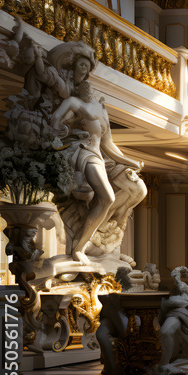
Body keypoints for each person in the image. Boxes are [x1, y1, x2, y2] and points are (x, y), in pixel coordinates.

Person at [50, 44, 146, 264]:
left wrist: (131, 161)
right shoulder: (73, 102)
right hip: (83, 153)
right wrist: (66, 133)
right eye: (81, 65)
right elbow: (53, 121)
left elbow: (109, 145)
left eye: (87, 66)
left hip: (99, 157)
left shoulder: (101, 110)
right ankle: (79, 249)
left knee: (129, 192)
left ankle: (93, 242)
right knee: (107, 197)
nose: (87, 81)